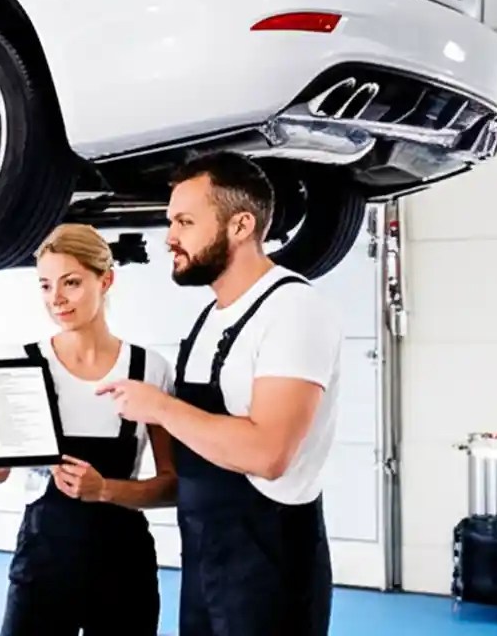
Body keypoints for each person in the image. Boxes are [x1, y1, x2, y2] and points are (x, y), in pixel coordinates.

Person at [97, 152, 342, 636]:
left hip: (271, 573)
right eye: (170, 222)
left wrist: (161, 407)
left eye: (185, 222)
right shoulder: (211, 317)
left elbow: (268, 452)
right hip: (205, 563)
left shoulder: (294, 308)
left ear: (241, 225)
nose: (170, 237)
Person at [0, 223, 178, 636]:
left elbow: (173, 486)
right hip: (44, 561)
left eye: (71, 283)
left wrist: (104, 490)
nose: (56, 299)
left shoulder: (149, 369)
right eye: (44, 286)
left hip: (123, 567)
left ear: (106, 279)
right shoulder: (21, 365)